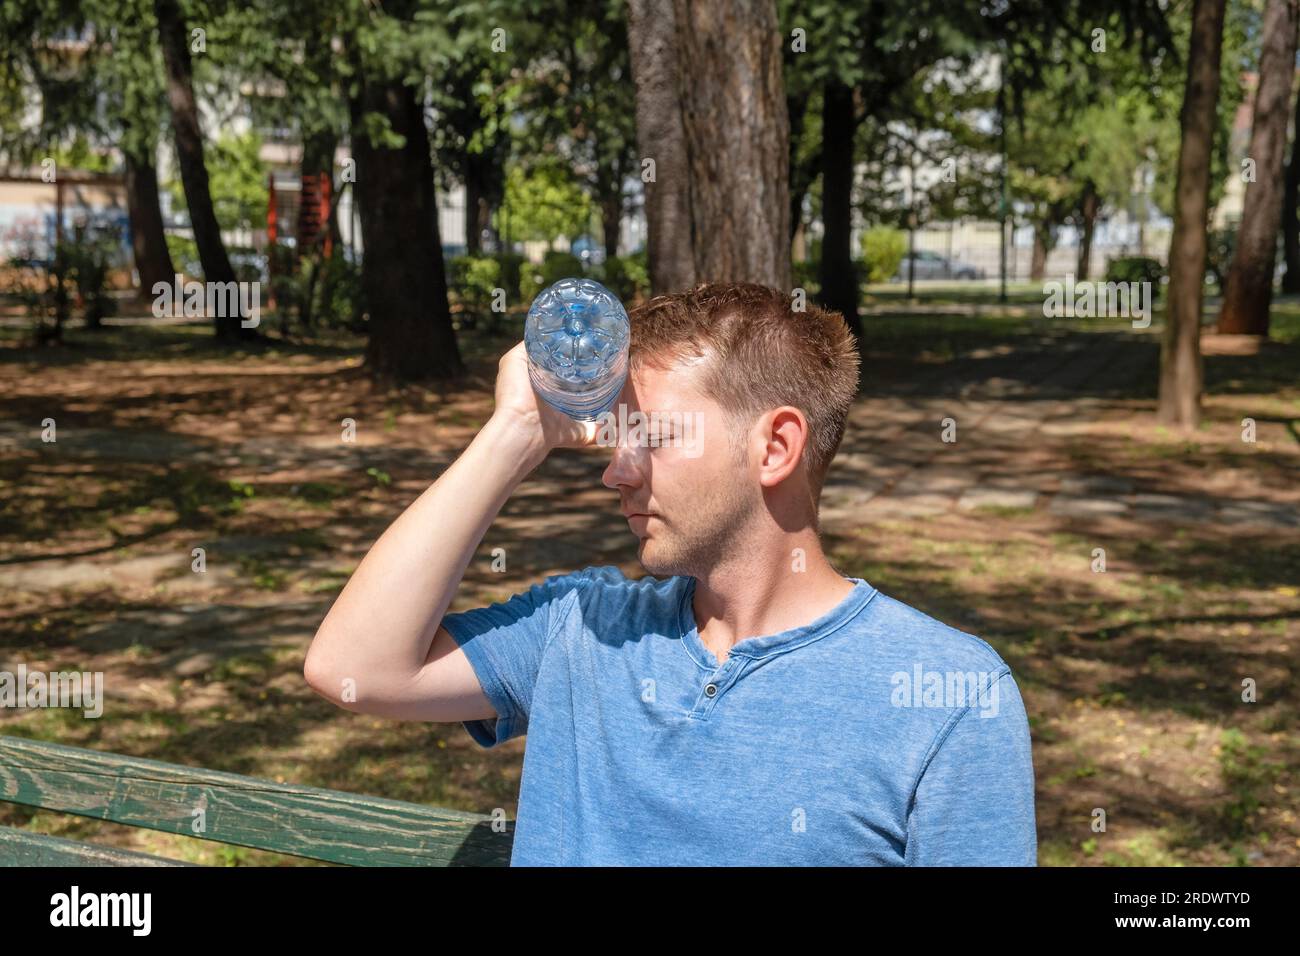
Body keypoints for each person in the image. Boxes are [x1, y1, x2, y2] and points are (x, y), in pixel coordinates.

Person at [304, 282, 1038, 866]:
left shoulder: (949, 698)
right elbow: (354, 669)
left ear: (776, 446)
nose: (614, 473)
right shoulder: (581, 629)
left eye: (648, 436)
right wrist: (513, 433)